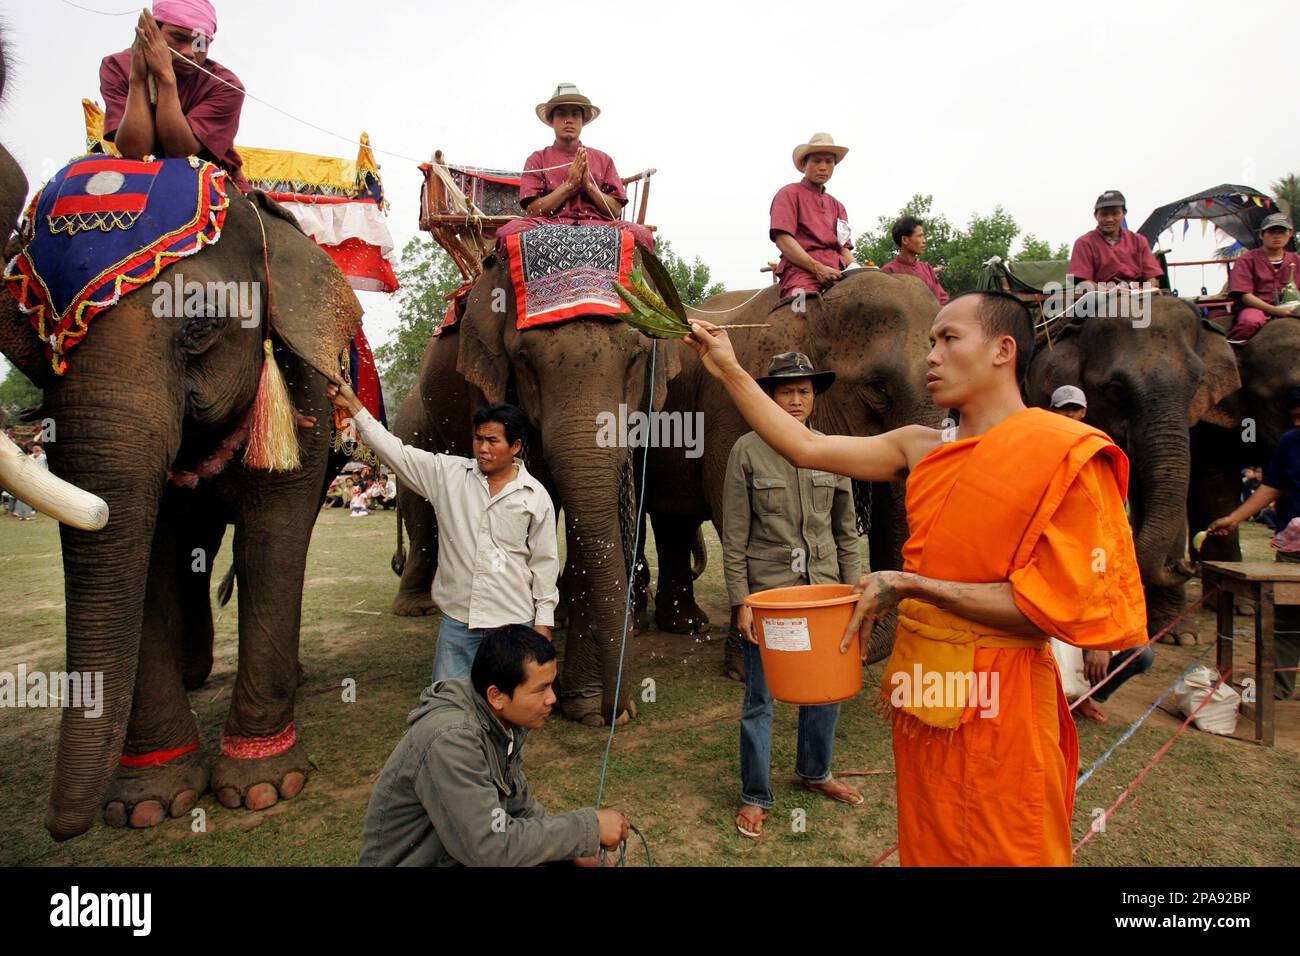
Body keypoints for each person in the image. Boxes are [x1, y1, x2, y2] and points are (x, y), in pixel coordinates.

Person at [684, 290, 1148, 866]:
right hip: (925, 692)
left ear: (1004, 350)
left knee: (1009, 845)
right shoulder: (921, 447)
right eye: (930, 342)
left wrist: (912, 586)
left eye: (949, 339)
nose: (931, 355)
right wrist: (728, 366)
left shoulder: (1064, 452)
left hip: (1004, 697)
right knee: (931, 842)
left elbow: (1055, 605)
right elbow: (804, 446)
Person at [328, 382, 558, 681]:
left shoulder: (534, 496)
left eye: (492, 440)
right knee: (447, 707)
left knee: (506, 712)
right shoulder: (448, 476)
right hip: (458, 626)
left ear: (514, 447)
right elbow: (395, 451)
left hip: (513, 624)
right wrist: (355, 409)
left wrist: (543, 622)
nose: (483, 448)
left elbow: (544, 564)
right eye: (478, 439)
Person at [723, 352, 863, 838]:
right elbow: (735, 535)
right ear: (771, 396)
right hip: (772, 598)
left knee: (825, 691)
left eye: (804, 391)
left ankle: (815, 771)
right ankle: (755, 794)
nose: (796, 399)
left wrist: (856, 592)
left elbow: (848, 532)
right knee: (761, 698)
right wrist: (741, 600)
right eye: (786, 391)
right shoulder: (746, 451)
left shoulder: (834, 449)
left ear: (815, 398)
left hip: (825, 593)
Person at [359, 625, 629, 866]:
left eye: (552, 686)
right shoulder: (451, 739)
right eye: (541, 689)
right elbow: (488, 848)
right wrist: (585, 828)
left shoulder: (500, 719)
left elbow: (518, 807)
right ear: (496, 696)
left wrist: (570, 850)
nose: (552, 699)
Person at [1207, 386, 1300, 700]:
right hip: (1293, 547)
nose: (1298, 424)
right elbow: (1272, 488)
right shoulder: (1289, 443)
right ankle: (1279, 688)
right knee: (1285, 618)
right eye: (1295, 418)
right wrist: (1234, 518)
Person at [99, 1, 250, 192]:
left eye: (199, 43)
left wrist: (165, 77)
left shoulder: (227, 86)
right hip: (140, 180)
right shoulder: (117, 67)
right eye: (178, 38)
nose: (189, 53)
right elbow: (135, 151)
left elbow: (179, 152)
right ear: (152, 31)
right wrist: (137, 79)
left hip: (213, 185)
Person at [494, 84, 653, 250]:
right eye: (561, 114)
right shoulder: (537, 159)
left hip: (599, 226)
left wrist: (589, 186)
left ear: (583, 121)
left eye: (575, 114)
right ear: (551, 121)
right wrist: (569, 185)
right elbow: (533, 211)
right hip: (548, 224)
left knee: (642, 235)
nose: (568, 120)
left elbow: (615, 212)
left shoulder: (603, 159)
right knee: (508, 233)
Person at [769, 133, 857, 298]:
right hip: (801, 271)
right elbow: (783, 239)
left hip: (839, 271)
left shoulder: (838, 206)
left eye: (829, 162)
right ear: (803, 165)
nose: (823, 167)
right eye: (817, 161)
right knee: (800, 308)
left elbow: (844, 248)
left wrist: (859, 271)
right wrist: (818, 268)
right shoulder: (788, 194)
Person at [1068, 190, 1162, 292]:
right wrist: (1110, 292)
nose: (1109, 219)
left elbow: (1152, 276)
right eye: (1104, 214)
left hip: (1139, 295)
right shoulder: (1084, 243)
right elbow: (1083, 282)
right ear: (1096, 215)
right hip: (1101, 299)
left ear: (1124, 213)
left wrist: (1145, 291)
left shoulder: (1139, 241)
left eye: (1115, 213)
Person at [1226, 212, 1300, 341]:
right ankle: (1234, 351)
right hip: (1257, 308)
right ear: (1261, 235)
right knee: (1250, 322)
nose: (1277, 236)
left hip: (1292, 307)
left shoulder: (1297, 260)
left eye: (1281, 232)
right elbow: (1244, 295)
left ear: (1290, 234)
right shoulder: (1246, 260)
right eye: (1271, 232)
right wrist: (1275, 310)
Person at [880, 216, 949, 305]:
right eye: (920, 236)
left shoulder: (927, 269)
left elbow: (942, 299)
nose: (924, 241)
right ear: (905, 240)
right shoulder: (889, 271)